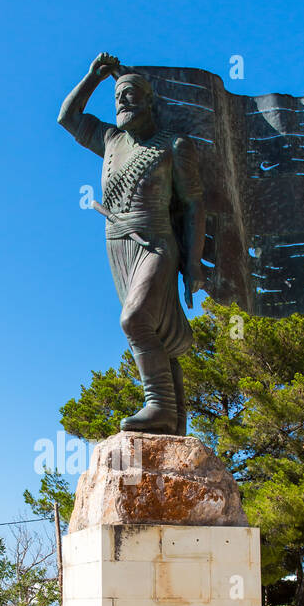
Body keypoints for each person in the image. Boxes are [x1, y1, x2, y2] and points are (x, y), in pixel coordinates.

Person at [58, 52, 206, 435]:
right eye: (119, 94)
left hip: (157, 243)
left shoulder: (174, 145)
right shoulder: (110, 139)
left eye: (132, 92)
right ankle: (174, 423)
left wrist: (193, 266)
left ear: (150, 101)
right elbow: (68, 119)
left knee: (135, 319)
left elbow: (193, 205)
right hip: (118, 246)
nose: (123, 99)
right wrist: (93, 76)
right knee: (154, 331)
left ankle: (157, 404)